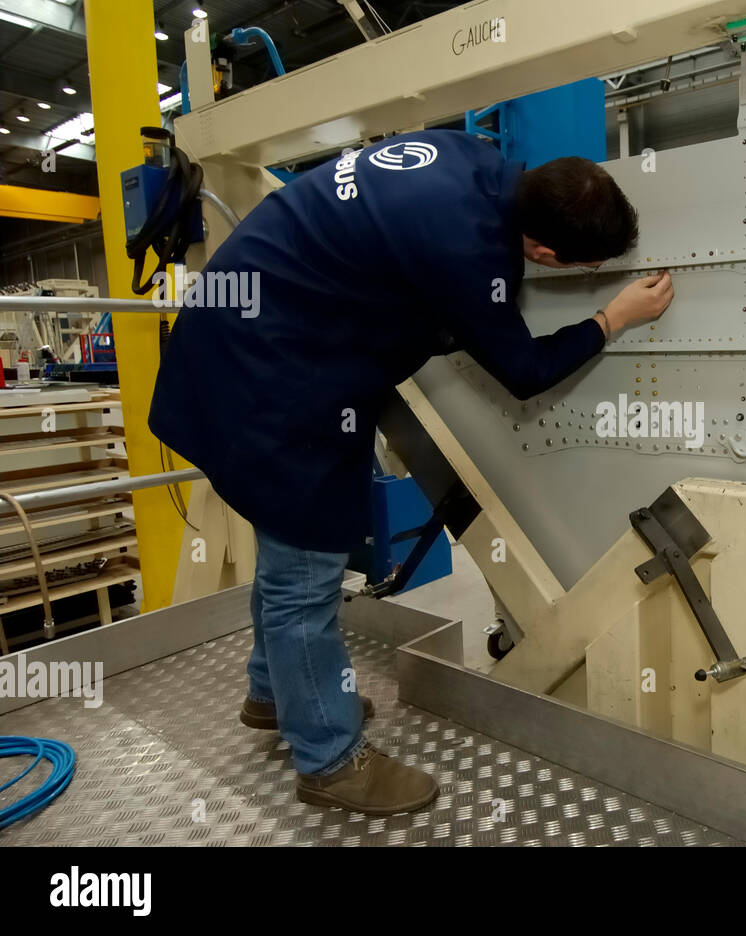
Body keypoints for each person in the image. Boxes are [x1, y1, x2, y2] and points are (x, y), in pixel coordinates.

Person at [148, 130, 674, 816]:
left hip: (244, 332)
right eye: (583, 266)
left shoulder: (478, 158)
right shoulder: (468, 249)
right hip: (270, 372)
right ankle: (331, 760)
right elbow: (523, 371)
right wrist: (611, 317)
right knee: (305, 568)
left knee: (285, 550)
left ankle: (277, 694)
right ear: (542, 251)